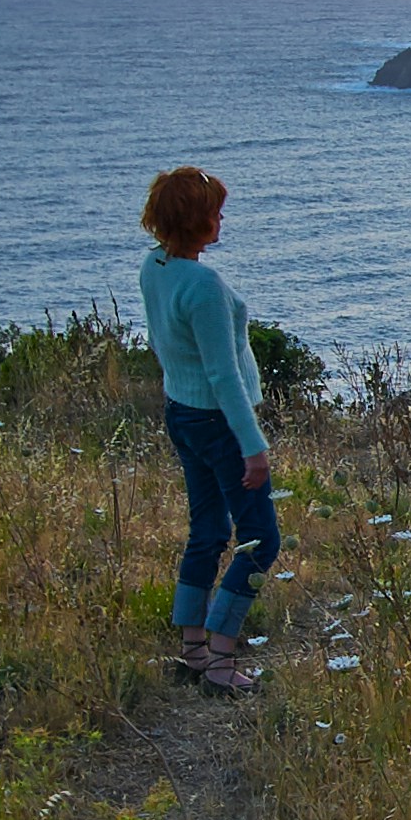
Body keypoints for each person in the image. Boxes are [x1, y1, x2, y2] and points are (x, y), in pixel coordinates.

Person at [138, 166, 279, 693]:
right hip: (218, 423)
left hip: (181, 410)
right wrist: (253, 446)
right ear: (197, 220)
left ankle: (193, 647)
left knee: (208, 532)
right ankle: (222, 660)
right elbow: (223, 376)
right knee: (261, 539)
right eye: (215, 212)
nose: (221, 220)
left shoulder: (155, 267)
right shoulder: (203, 286)